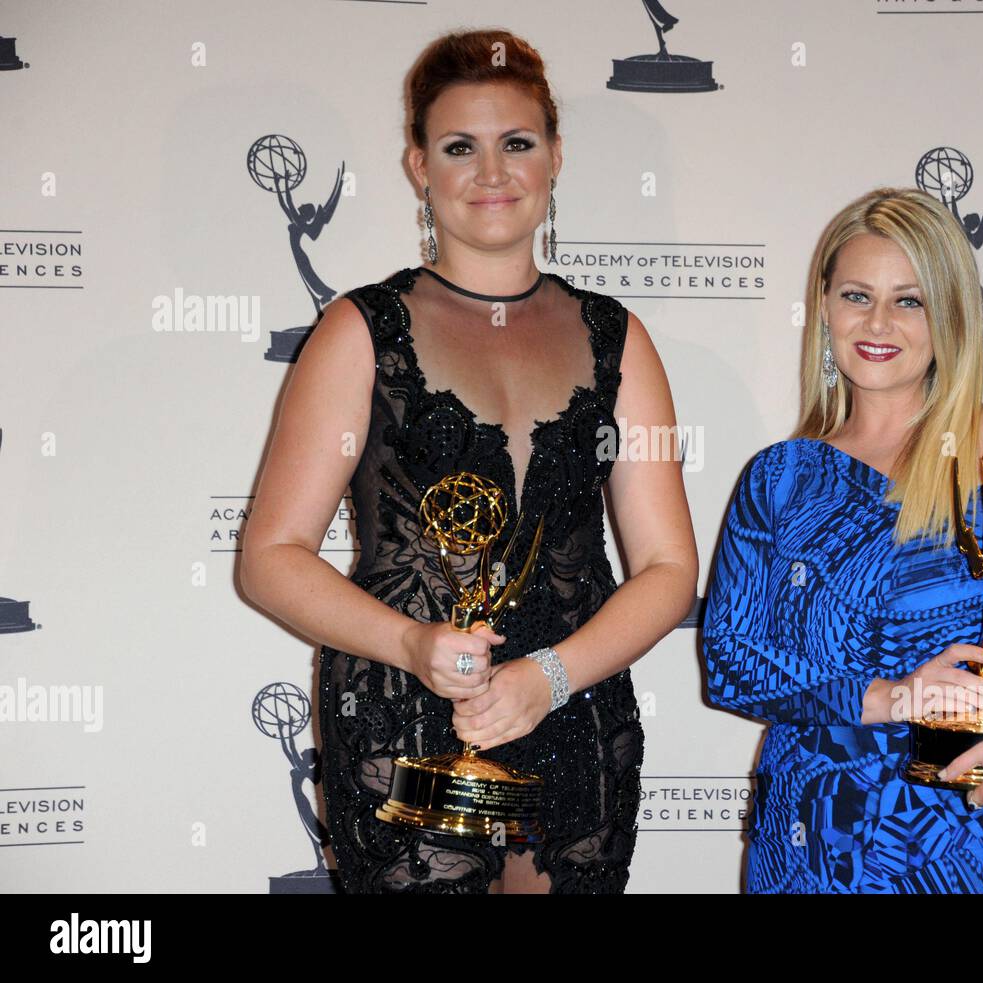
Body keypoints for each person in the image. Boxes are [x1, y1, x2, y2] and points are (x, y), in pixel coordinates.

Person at [240, 28, 697, 894]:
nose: (492, 173)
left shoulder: (618, 339)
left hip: (574, 710)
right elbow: (270, 557)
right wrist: (412, 641)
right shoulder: (360, 332)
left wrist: (549, 677)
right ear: (419, 166)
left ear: (554, 157)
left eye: (516, 143)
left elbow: (671, 568)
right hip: (404, 714)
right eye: (460, 147)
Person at [701, 187, 983, 893]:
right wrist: (889, 696)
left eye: (910, 300)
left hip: (958, 836)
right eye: (856, 295)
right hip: (805, 836)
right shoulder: (780, 477)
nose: (877, 322)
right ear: (825, 307)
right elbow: (728, 661)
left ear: (950, 315)